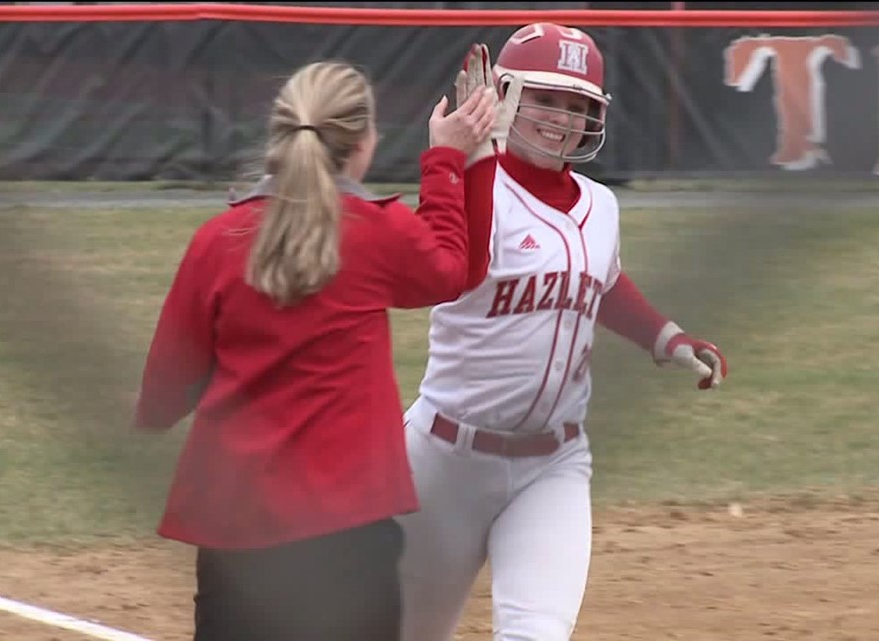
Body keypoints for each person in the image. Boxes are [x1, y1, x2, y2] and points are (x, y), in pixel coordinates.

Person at [132, 59, 498, 641]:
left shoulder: (216, 242)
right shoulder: (377, 232)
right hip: (347, 533)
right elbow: (455, 270)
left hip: (236, 534)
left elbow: (158, 407)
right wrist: (455, 157)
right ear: (364, 144)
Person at [396, 23, 728, 641]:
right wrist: (472, 162)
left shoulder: (601, 204)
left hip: (553, 463)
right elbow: (462, 271)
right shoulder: (472, 185)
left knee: (538, 632)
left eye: (578, 105)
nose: (562, 117)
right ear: (505, 95)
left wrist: (667, 339)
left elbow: (602, 284)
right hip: (444, 462)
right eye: (546, 98)